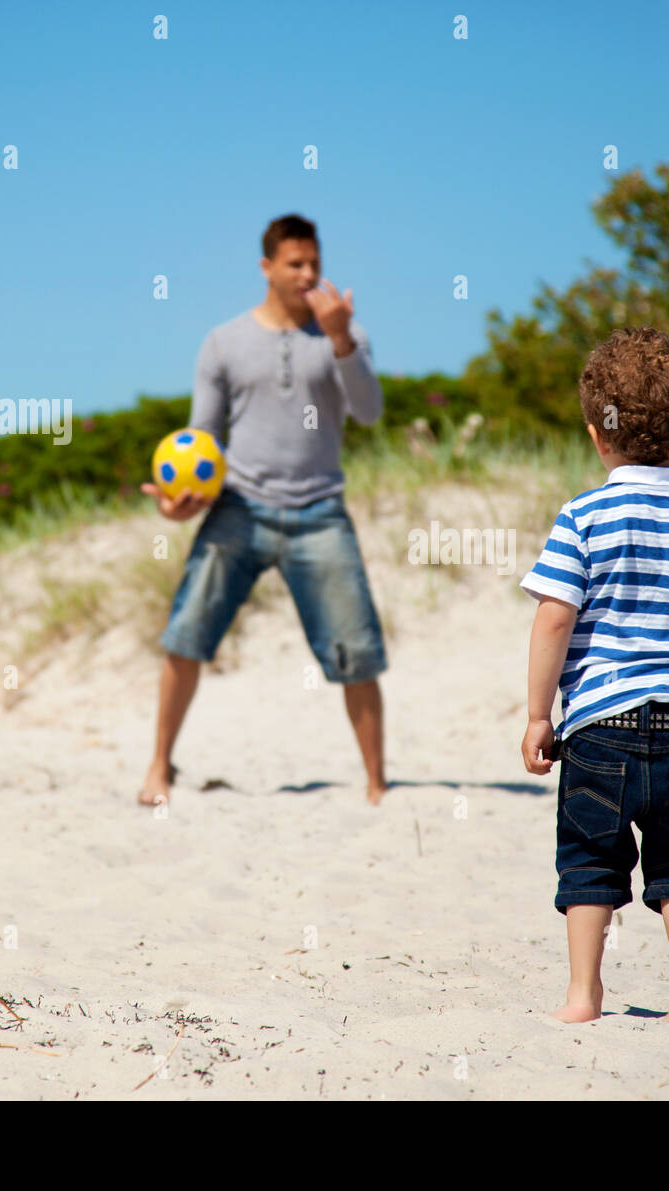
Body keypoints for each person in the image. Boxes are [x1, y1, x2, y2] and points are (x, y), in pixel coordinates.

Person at [519, 327, 669, 1024]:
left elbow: (554, 621)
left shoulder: (583, 517)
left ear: (597, 435)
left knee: (590, 857)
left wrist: (540, 713)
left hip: (598, 728)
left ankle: (582, 994)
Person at [140, 214, 389, 806]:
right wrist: (180, 508)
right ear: (267, 267)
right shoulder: (224, 341)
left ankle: (378, 784)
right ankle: (157, 767)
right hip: (239, 506)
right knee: (185, 635)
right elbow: (199, 439)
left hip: (320, 511)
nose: (307, 274)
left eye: (315, 264)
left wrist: (341, 340)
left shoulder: (342, 335)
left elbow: (371, 411)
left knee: (356, 650)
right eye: (295, 263)